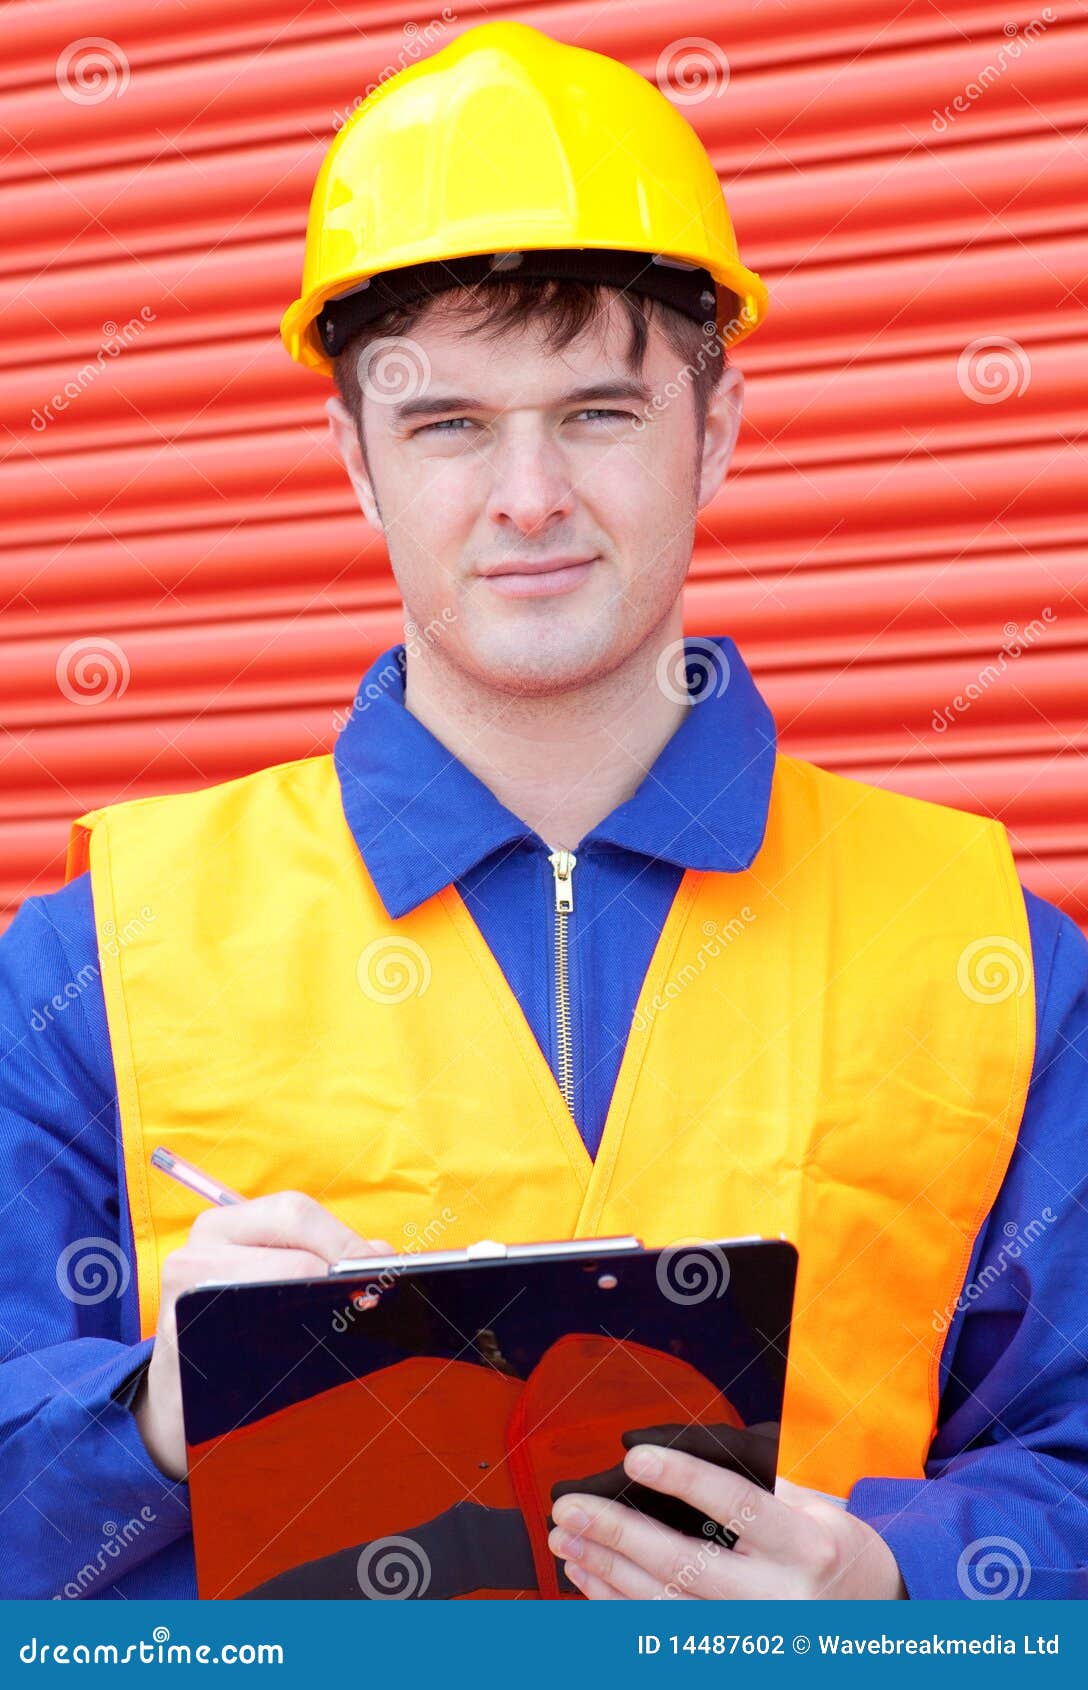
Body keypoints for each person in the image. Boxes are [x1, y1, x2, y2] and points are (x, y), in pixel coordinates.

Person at [2, 19, 1086, 1603]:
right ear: (357, 463)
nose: (526, 498)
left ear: (715, 432)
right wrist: (152, 1414)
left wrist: (896, 1583)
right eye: (448, 424)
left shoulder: (991, 951)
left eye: (597, 411)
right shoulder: (97, 954)